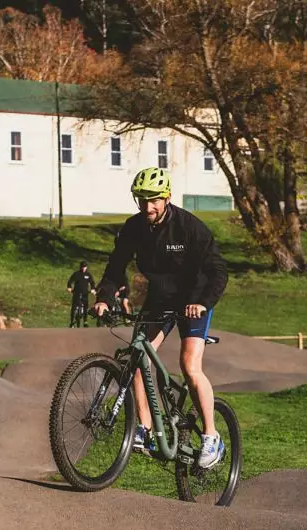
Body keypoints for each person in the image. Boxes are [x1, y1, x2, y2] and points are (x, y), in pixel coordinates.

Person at [94, 167, 228, 469]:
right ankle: (146, 431)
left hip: (195, 298)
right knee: (138, 359)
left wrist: (202, 302)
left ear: (167, 197)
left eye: (153, 199)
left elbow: (218, 271)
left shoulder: (189, 228)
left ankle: (211, 436)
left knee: (189, 365)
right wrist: (104, 298)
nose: (147, 206)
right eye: (141, 199)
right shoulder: (133, 228)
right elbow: (115, 268)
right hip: (160, 299)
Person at [67, 261, 96, 328]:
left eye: (85, 267)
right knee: (74, 308)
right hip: (76, 292)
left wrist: (93, 289)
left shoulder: (88, 275)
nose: (83, 268)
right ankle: (72, 322)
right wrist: (69, 287)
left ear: (86, 267)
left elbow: (92, 283)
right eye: (82, 267)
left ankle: (85, 321)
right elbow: (70, 281)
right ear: (80, 267)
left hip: (85, 293)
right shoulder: (76, 274)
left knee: (85, 307)